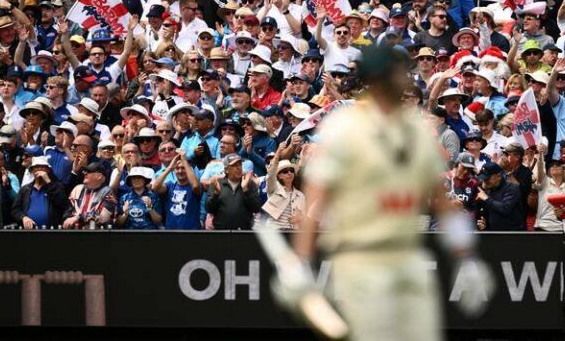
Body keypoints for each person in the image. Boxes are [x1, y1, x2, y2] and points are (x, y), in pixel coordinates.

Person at [293, 47, 494, 341]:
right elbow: (317, 199)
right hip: (360, 259)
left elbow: (441, 201)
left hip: (408, 257)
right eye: (397, 73)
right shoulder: (343, 129)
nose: (404, 80)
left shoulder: (416, 131)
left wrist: (468, 257)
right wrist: (300, 261)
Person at [205, 153, 261, 230]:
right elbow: (209, 209)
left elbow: (256, 208)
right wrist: (216, 194)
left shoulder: (249, 183)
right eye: (234, 165)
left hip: (244, 233)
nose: (239, 168)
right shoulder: (217, 183)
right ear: (226, 170)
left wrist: (245, 190)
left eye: (240, 164)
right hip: (221, 233)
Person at [12, 156, 70, 229]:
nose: (39, 170)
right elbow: (15, 209)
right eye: (36, 167)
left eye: (43, 168)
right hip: (29, 231)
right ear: (32, 171)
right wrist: (23, 217)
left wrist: (48, 182)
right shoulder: (25, 189)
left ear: (48, 170)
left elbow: (63, 204)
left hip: (51, 231)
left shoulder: (57, 186)